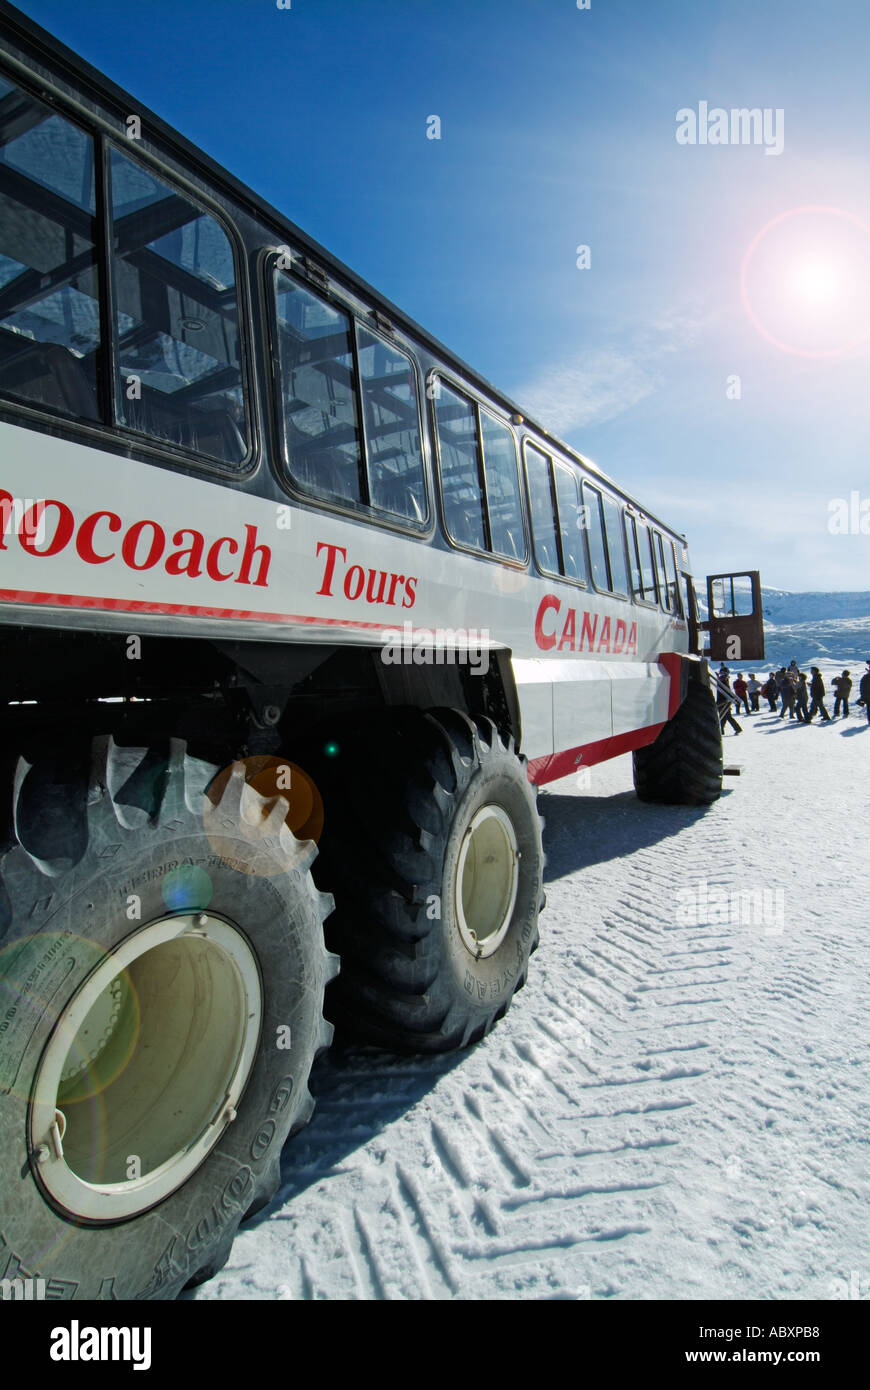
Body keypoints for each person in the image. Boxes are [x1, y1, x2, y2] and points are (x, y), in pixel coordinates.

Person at [715, 667, 741, 734]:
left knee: (725, 716)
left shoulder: (722, 681)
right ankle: (721, 730)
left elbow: (727, 691)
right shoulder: (723, 680)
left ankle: (737, 728)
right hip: (724, 700)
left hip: (723, 701)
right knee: (723, 717)